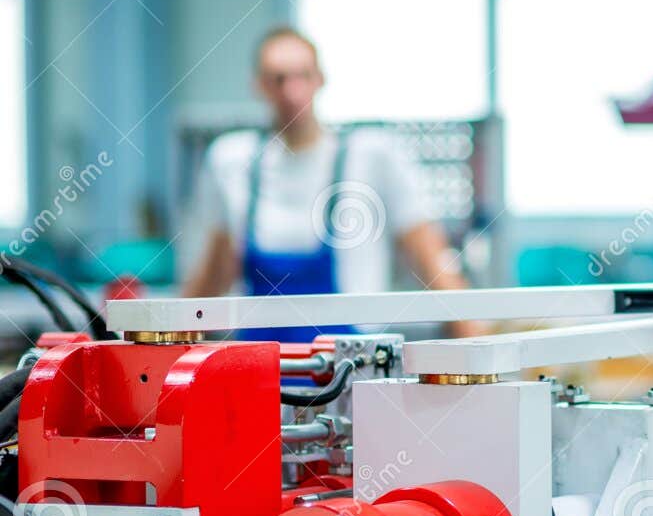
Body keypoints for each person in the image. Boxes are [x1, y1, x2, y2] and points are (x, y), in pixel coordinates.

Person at [182, 26, 477, 341]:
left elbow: (433, 264)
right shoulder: (232, 162)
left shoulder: (372, 156)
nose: (292, 92)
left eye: (302, 76)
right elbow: (214, 275)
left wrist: (480, 355)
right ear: (259, 86)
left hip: (350, 371)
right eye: (278, 79)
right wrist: (168, 343)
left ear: (320, 79)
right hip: (258, 370)